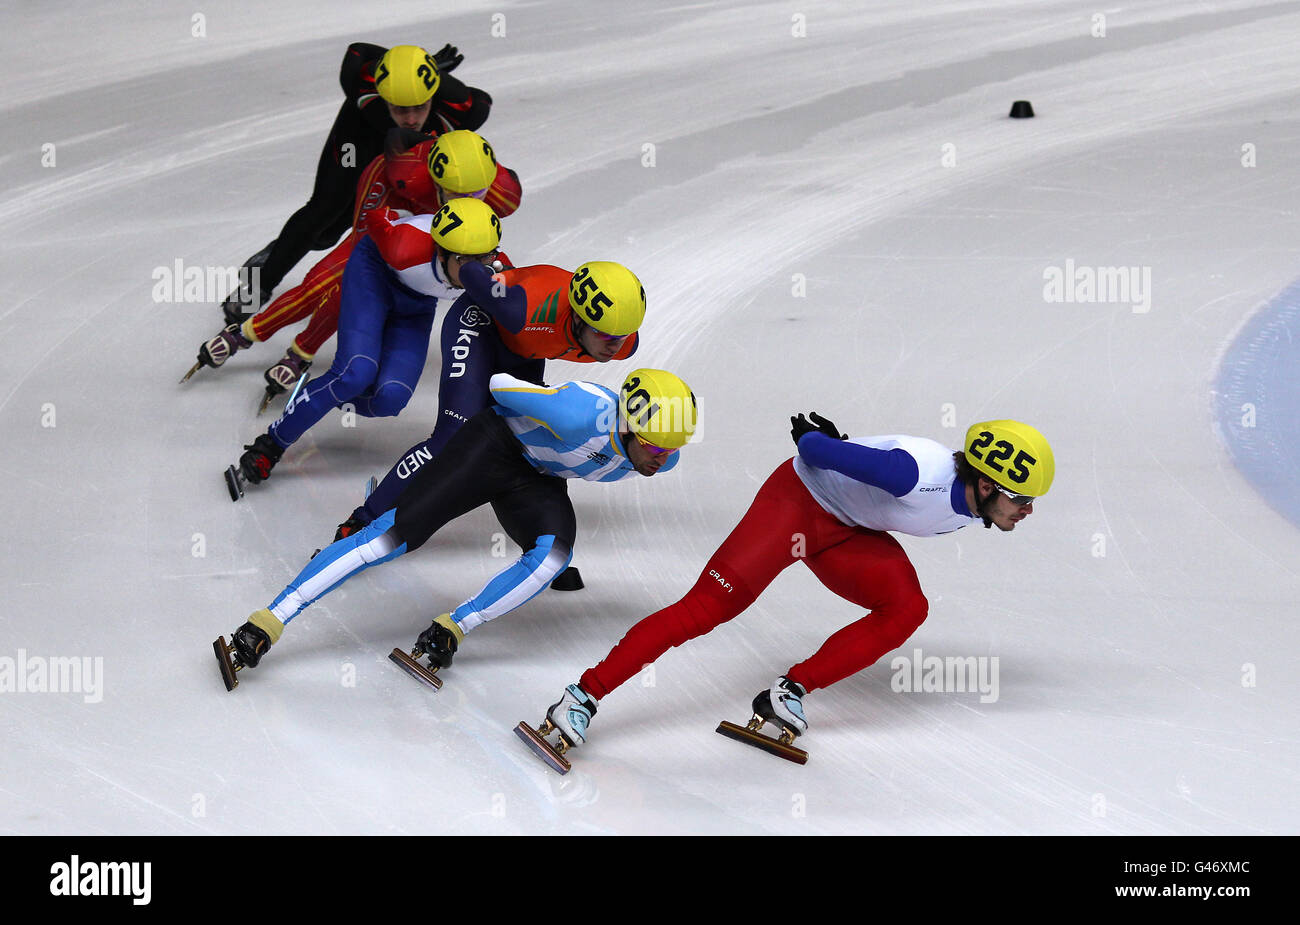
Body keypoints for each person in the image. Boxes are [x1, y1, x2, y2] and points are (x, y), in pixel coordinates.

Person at [530, 414, 1055, 763]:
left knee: (906, 608)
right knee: (706, 609)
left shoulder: (976, 505)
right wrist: (825, 443)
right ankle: (581, 697)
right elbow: (812, 446)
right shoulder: (914, 474)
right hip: (798, 505)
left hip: (847, 530)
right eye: (1022, 499)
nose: (1028, 511)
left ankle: (788, 693)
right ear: (985, 483)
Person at [213, 368, 699, 690]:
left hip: (535, 480)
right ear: (631, 427)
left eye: (669, 450)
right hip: (491, 448)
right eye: (655, 448)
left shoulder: (661, 453)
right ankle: (269, 619)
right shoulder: (579, 413)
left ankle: (451, 628)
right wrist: (543, 405)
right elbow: (500, 384)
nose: (662, 459)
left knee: (553, 557)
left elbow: (616, 457)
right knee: (391, 538)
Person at [185, 129, 520, 405]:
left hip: (429, 241)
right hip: (388, 216)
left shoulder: (503, 193)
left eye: (476, 194)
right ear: (434, 181)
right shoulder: (405, 176)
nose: (467, 203)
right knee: (328, 282)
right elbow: (365, 240)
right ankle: (245, 333)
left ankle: (301, 349)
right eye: (456, 194)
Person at [337, 259, 646, 537]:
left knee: (531, 438)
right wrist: (487, 269)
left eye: (621, 337)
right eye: (604, 335)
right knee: (453, 434)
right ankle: (363, 518)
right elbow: (470, 271)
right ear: (577, 319)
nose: (614, 347)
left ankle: (547, 540)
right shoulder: (525, 310)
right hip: (479, 325)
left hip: (523, 350)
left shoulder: (622, 340)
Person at [230, 196, 503, 492]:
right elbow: (375, 217)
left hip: (417, 304)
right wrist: (398, 215)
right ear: (440, 253)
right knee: (354, 373)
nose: (475, 271)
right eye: (464, 261)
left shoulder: (496, 272)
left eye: (484, 258)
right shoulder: (404, 246)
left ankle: (319, 396)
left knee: (391, 399)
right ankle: (270, 445)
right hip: (373, 275)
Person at [220, 43, 494, 324]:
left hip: (400, 156)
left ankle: (281, 248)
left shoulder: (462, 106)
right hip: (358, 138)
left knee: (339, 232)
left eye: (419, 107)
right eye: (400, 109)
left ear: (432, 95)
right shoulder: (360, 80)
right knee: (325, 211)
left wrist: (427, 69)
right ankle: (258, 285)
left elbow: (483, 102)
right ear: (383, 94)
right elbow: (357, 50)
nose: (411, 119)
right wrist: (402, 68)